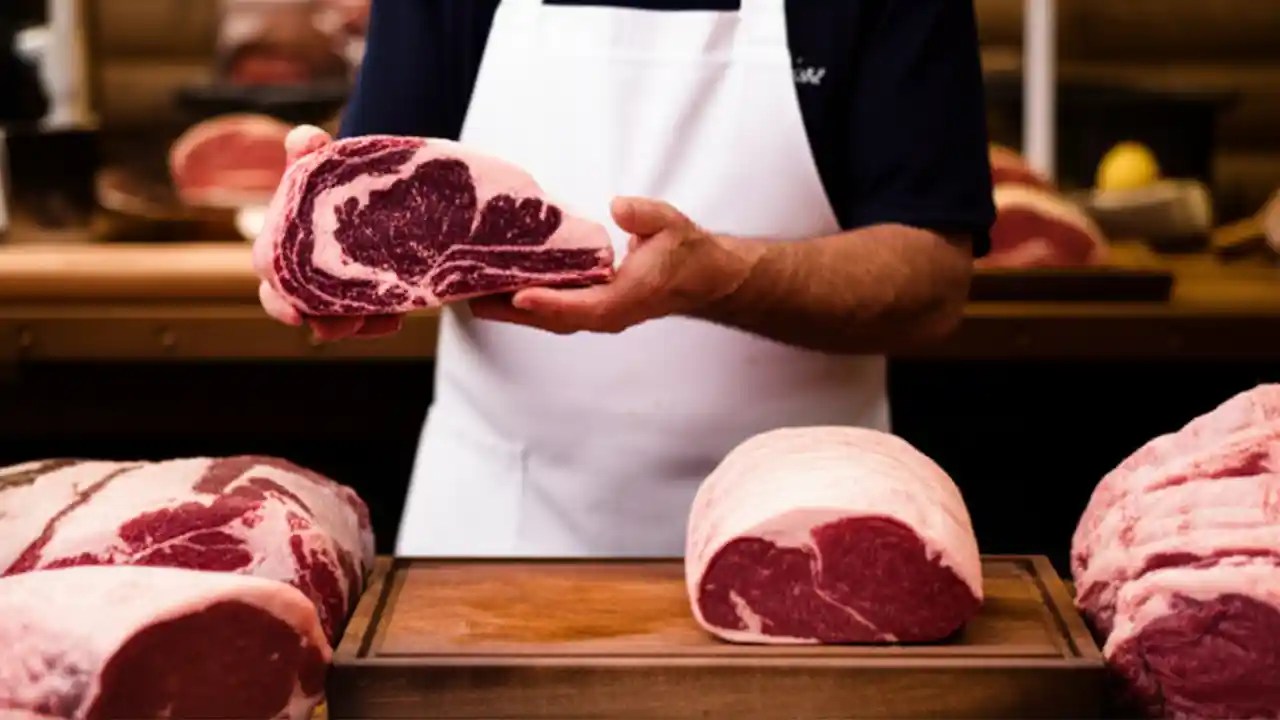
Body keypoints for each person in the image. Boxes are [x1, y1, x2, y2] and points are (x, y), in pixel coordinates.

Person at [261, 0, 997, 558]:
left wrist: (720, 277)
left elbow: (931, 282)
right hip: (501, 532)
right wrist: (317, 250)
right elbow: (375, 196)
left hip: (816, 538)